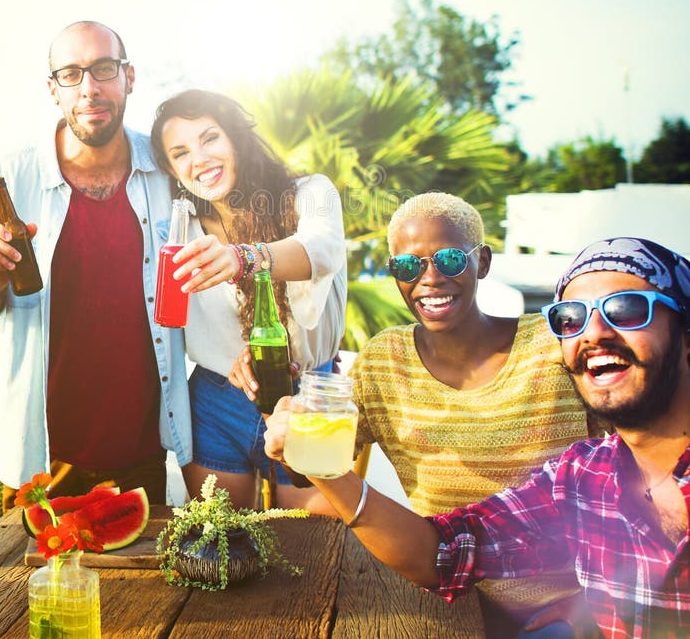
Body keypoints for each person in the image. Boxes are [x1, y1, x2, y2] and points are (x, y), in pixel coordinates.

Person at [264, 236, 690, 638]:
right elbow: (444, 554)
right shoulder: (581, 477)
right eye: (571, 319)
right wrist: (321, 464)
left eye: (629, 310)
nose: (594, 333)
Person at [234, 191, 600, 634]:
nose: (429, 279)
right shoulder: (384, 362)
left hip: (560, 612)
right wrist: (278, 404)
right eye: (408, 266)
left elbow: (632, 470)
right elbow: (309, 470)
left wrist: (592, 604)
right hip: (443, 591)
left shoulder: (553, 345)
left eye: (447, 259)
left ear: (481, 262)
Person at [0, 21, 191, 509]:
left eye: (104, 69)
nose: (90, 88)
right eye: (71, 74)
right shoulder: (9, 175)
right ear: (53, 89)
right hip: (40, 457)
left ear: (129, 77)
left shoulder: (167, 168)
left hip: (146, 452)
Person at [150, 88, 347, 510]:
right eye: (180, 153)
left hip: (309, 394)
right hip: (218, 401)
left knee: (313, 550)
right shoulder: (179, 233)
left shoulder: (311, 192)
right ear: (171, 169)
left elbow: (323, 248)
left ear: (236, 136)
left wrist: (244, 258)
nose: (199, 159)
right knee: (226, 547)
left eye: (209, 138)